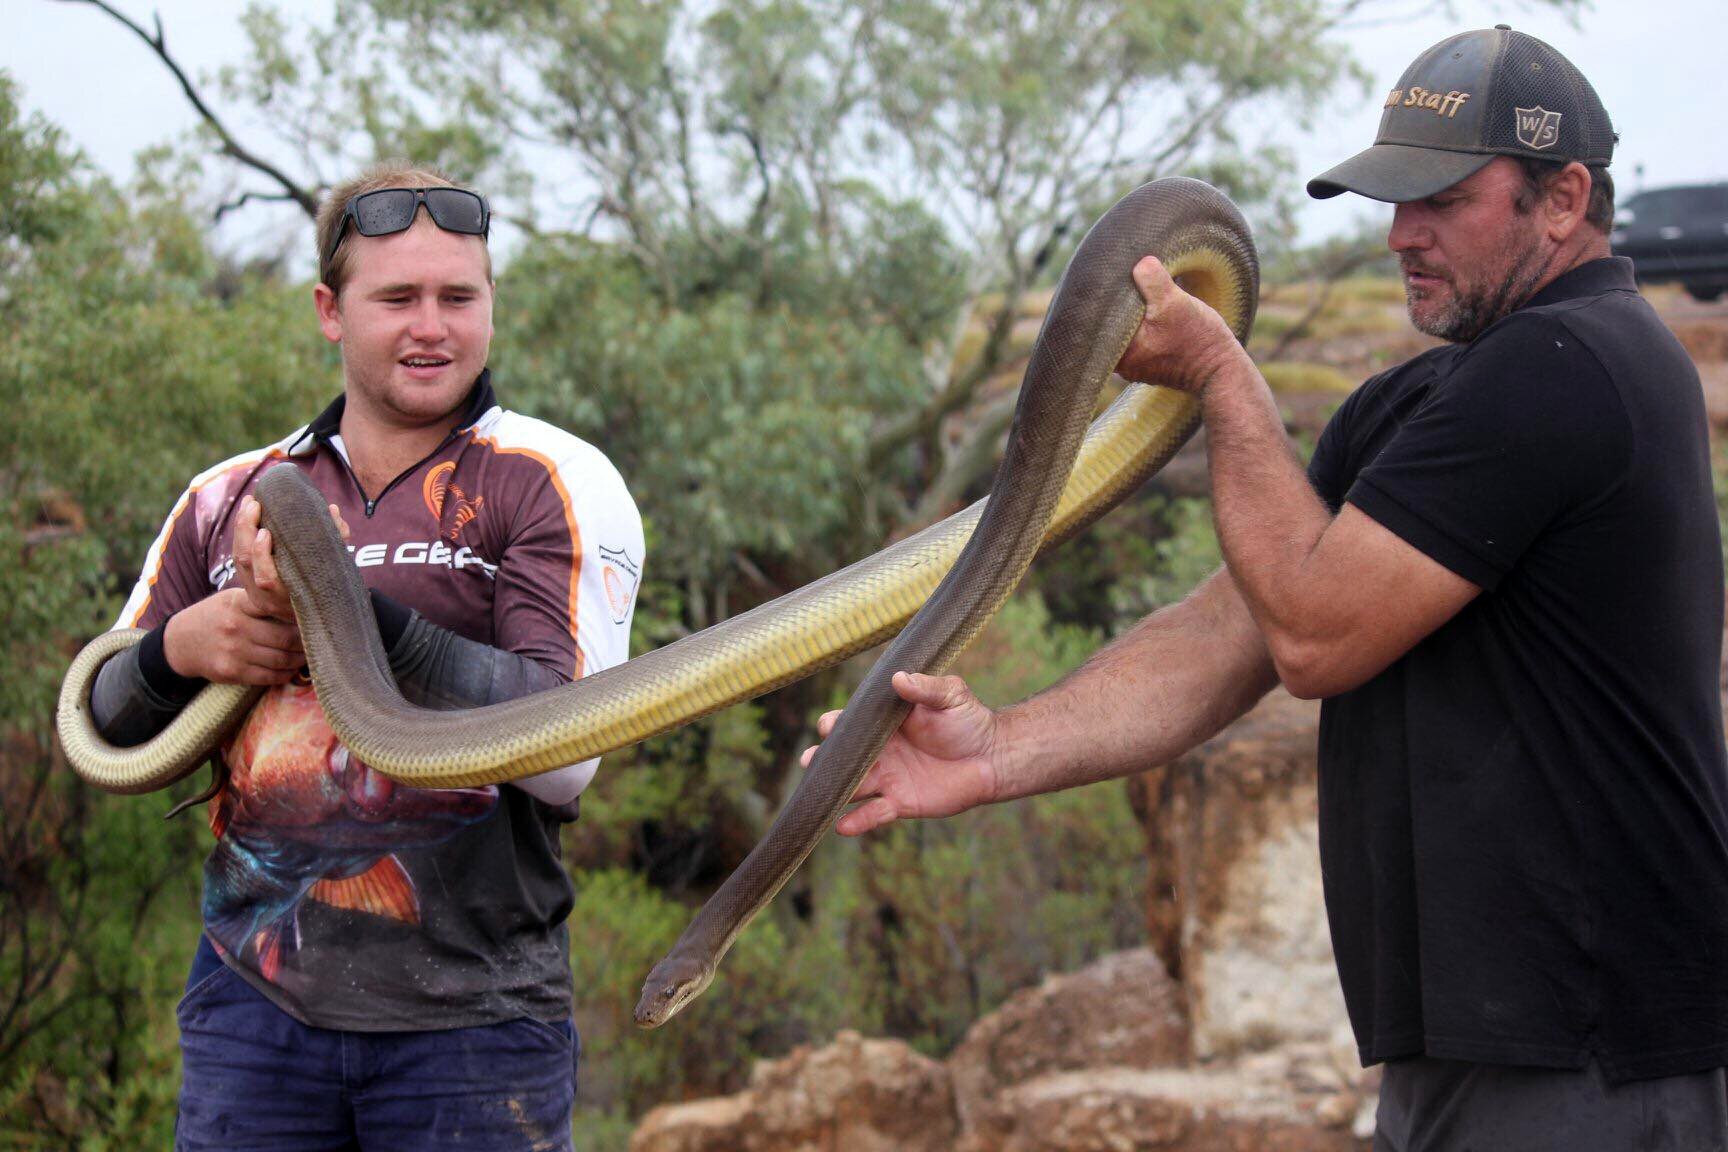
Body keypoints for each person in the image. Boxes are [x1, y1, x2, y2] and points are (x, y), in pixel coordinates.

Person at [812, 26, 1728, 1150]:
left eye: (1442, 197)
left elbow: (1313, 636)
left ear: (1564, 196)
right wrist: (998, 748)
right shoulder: (1429, 403)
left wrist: (1217, 375)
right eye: (1395, 201)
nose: (1403, 234)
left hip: (1593, 1053)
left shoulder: (1579, 363)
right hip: (1476, 1052)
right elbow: (1225, 631)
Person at [90, 162, 644, 1151]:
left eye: (457, 297)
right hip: (251, 1012)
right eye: (397, 298)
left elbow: (570, 752)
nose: (432, 326)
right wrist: (185, 648)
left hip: (475, 1026)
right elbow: (102, 730)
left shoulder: (550, 479)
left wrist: (354, 614)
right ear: (329, 310)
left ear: (489, 305)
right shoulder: (232, 495)